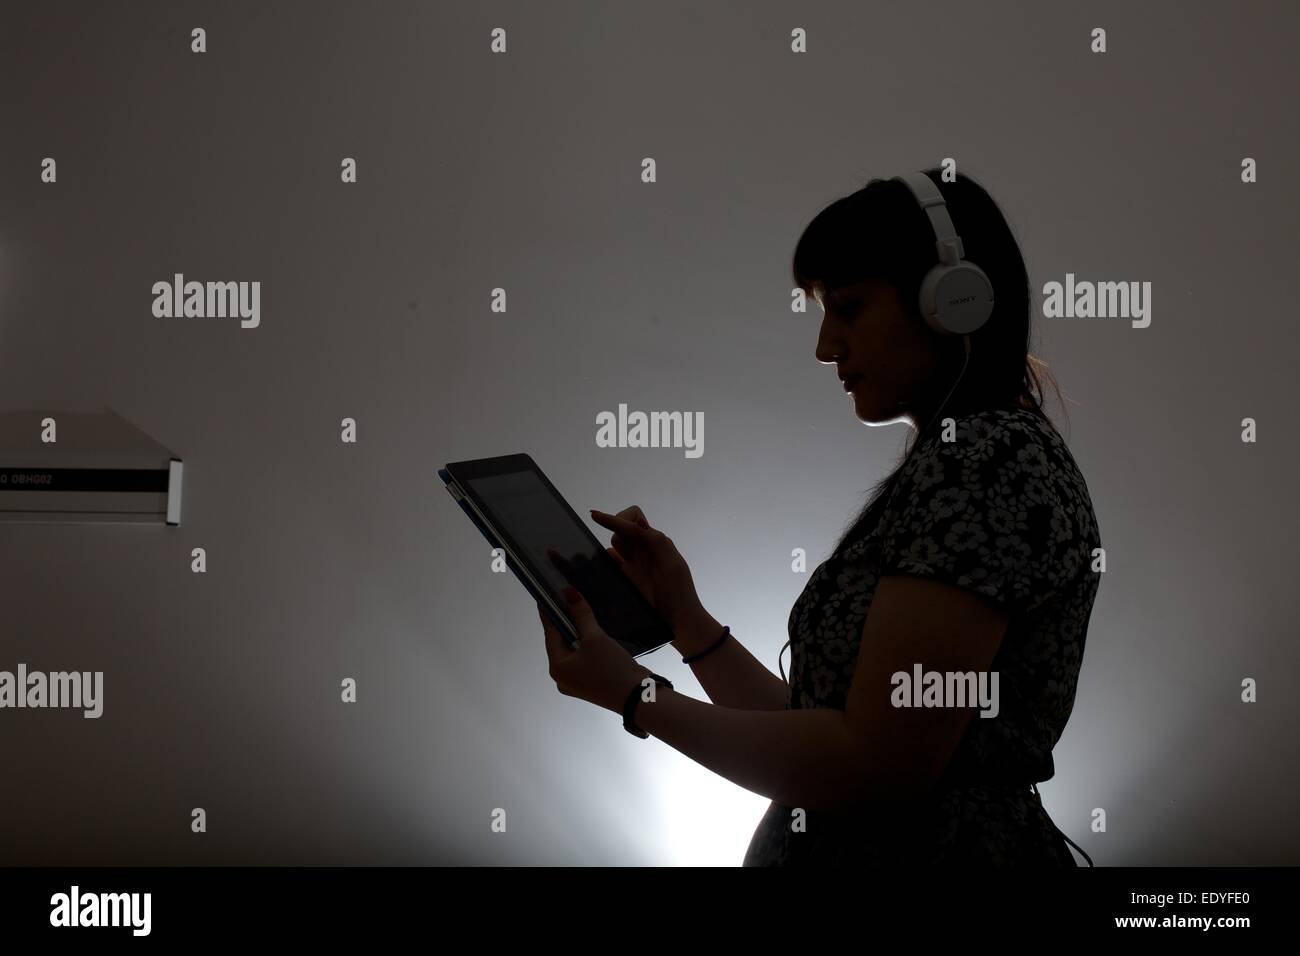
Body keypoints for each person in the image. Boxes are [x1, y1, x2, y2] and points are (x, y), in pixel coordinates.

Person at [537, 168, 1102, 866]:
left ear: (953, 300)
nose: (826, 346)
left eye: (850, 308)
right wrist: (686, 619)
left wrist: (635, 697)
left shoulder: (990, 464)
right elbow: (825, 731)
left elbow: (873, 767)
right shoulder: (966, 459)